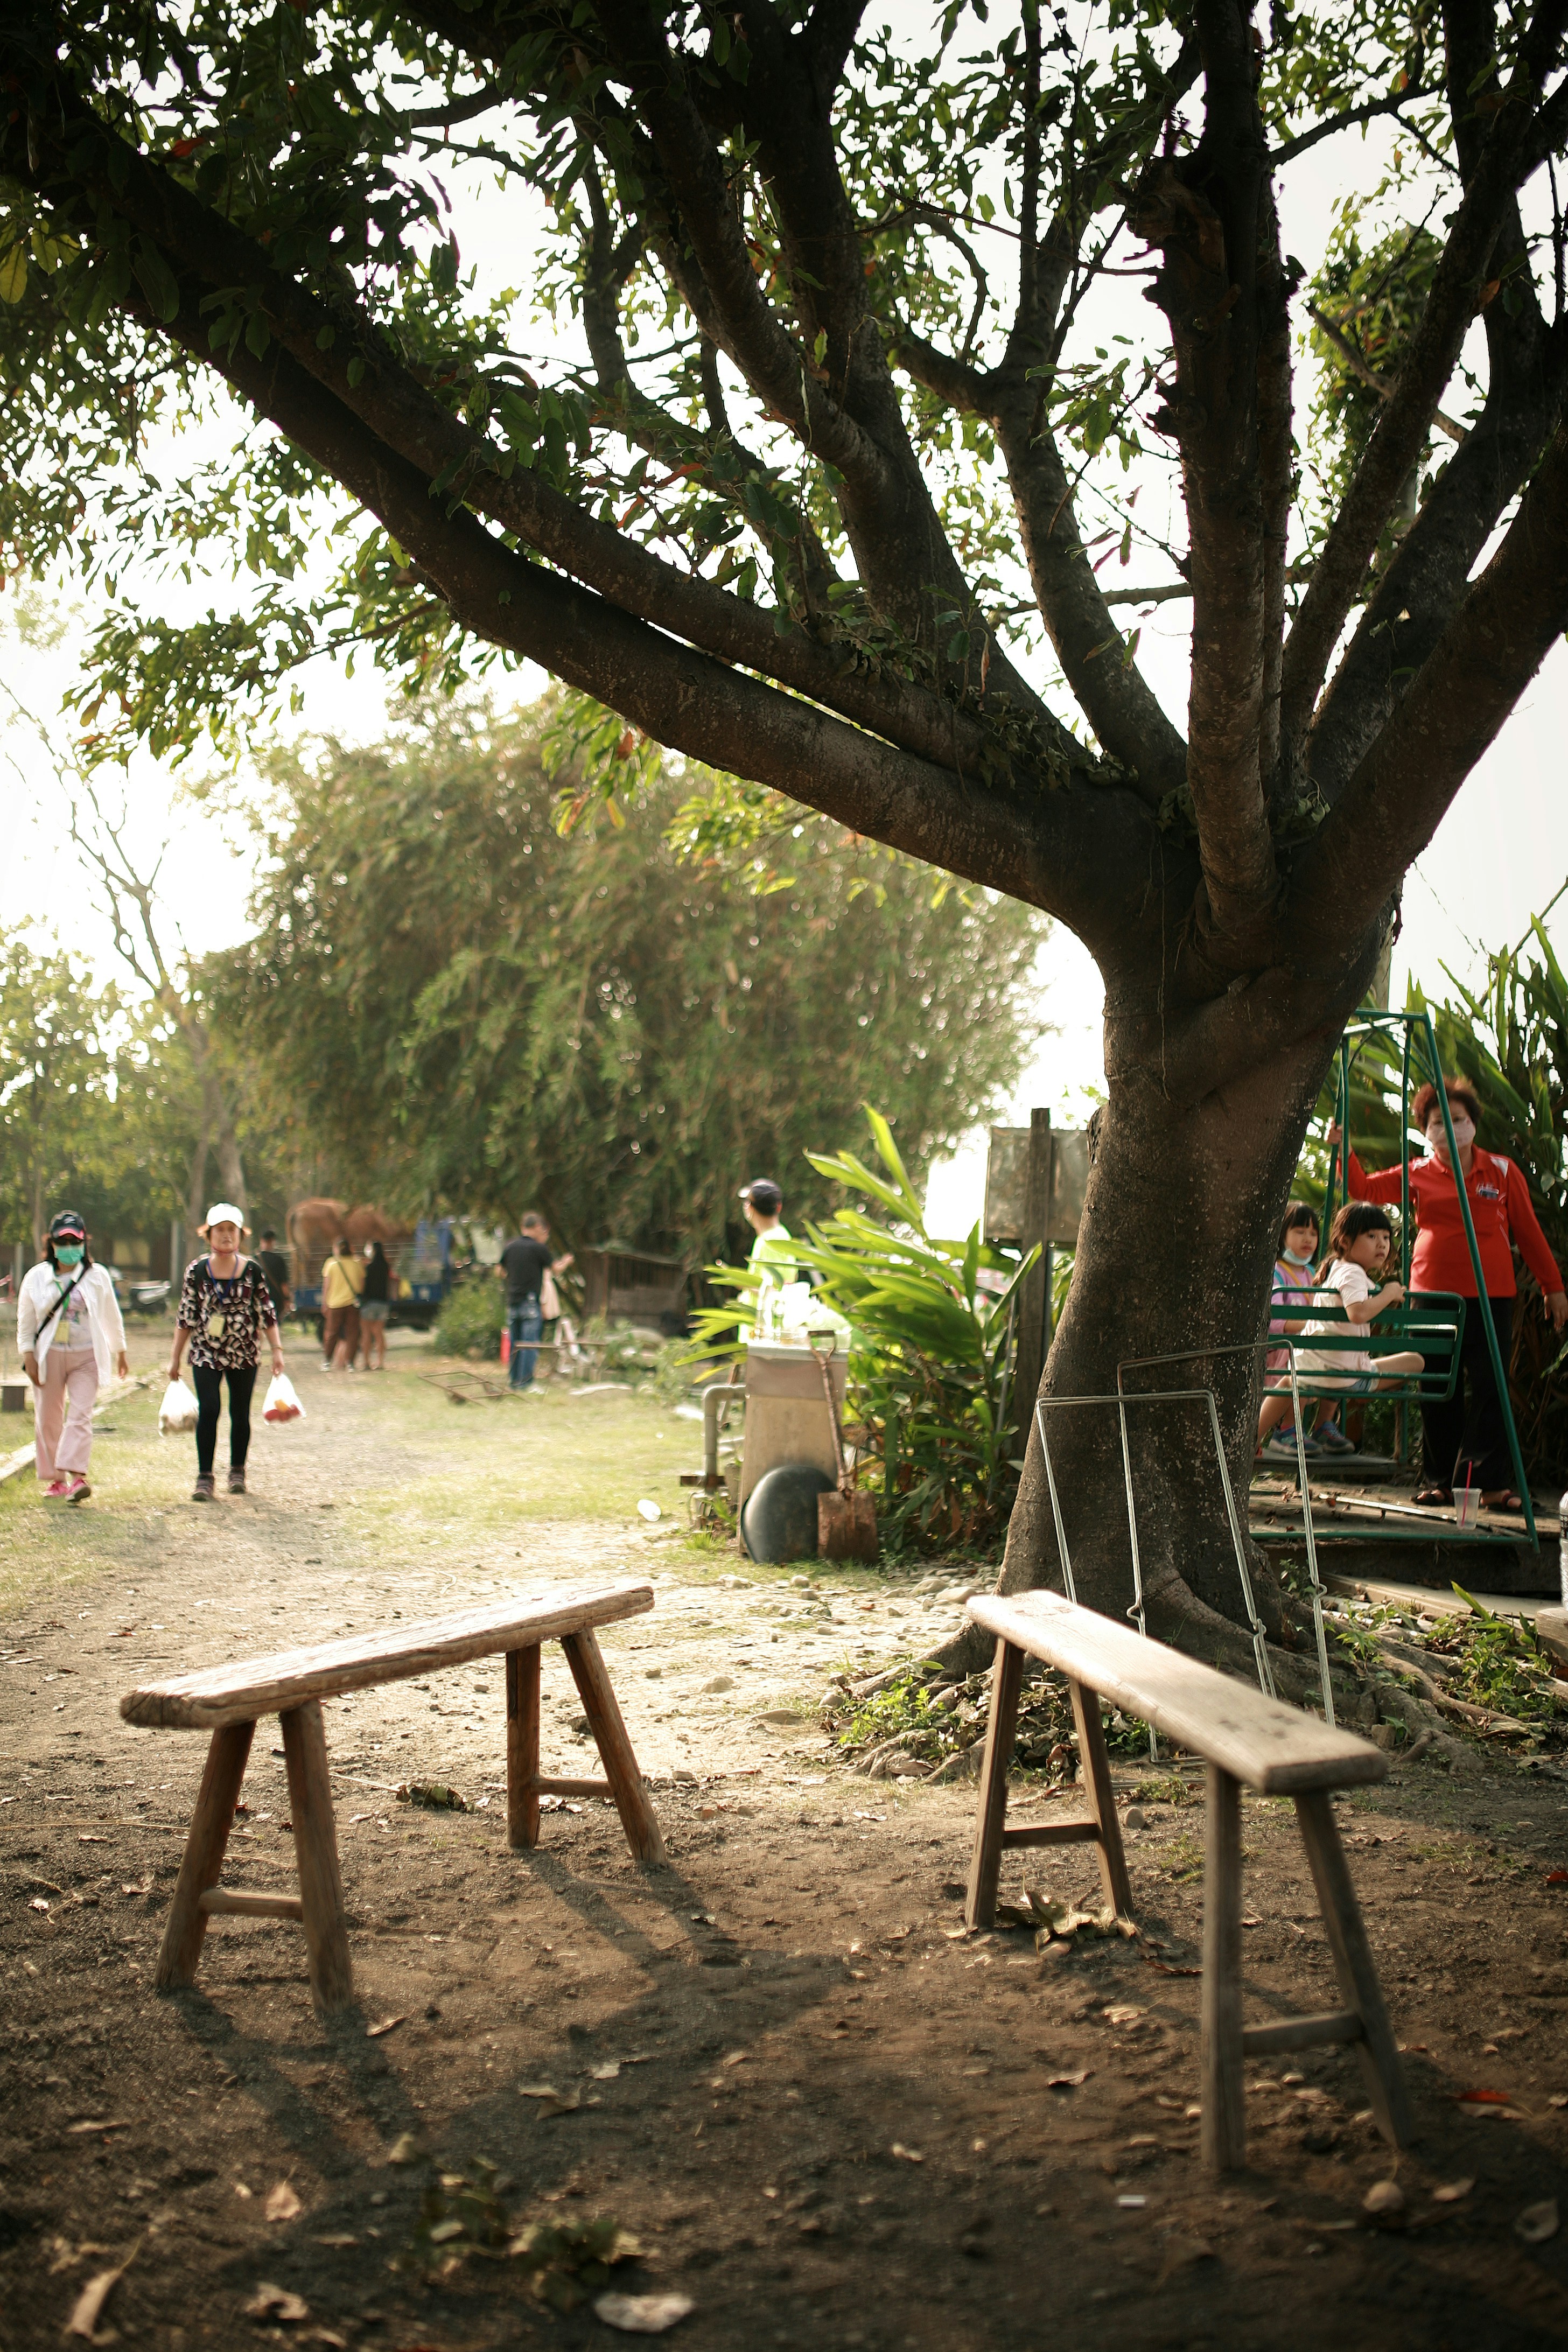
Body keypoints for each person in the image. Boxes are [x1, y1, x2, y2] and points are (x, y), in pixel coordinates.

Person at [1332, 1081, 1568, 1507]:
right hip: (1433, 1296)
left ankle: (1486, 1483)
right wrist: (1344, 1149)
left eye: (1458, 1120)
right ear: (1427, 1130)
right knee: (1437, 1384)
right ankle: (1442, 1479)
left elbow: (1529, 1234)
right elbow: (1364, 1190)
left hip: (1491, 1293)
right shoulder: (1418, 1172)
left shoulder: (1501, 1170)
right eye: (1439, 1123)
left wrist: (1554, 1287)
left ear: (1473, 1123)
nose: (1450, 1129)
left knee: (1491, 1384)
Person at [1256, 1203, 1425, 1451]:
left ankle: (1253, 1440)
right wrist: (1388, 1294)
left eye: (1386, 1237)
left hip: (1317, 1367)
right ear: (1345, 1242)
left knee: (1291, 1380)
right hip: (1343, 1376)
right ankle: (1319, 1426)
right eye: (1371, 1236)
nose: (1382, 1244)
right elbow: (1357, 1313)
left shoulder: (1336, 1269)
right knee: (1416, 1361)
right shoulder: (1352, 1274)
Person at [169, 1204, 285, 1502]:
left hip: (244, 1354)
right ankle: (205, 1476)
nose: (225, 1235)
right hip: (206, 1353)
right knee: (209, 1409)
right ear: (208, 1235)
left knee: (239, 1413)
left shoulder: (253, 1271)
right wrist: (175, 1358)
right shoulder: (196, 1271)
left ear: (240, 1235)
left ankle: (237, 1471)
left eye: (231, 1230)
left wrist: (277, 1350)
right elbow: (186, 1316)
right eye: (219, 1230)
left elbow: (267, 1313)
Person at [17, 1209, 129, 1503]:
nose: (69, 1248)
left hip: (86, 1356)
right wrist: (28, 1355)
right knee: (49, 1418)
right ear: (51, 1244)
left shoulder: (97, 1276)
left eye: (74, 1241)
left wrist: (120, 1351)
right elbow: (26, 1322)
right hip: (49, 1355)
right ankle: (57, 1480)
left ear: (84, 1242)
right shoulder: (36, 1278)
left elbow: (111, 1316)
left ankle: (78, 1477)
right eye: (62, 1242)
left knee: (80, 1414)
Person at [1258, 1201, 1321, 1462]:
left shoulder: (1312, 1274)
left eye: (1313, 1233)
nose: (1308, 1239)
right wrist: (1310, 1325)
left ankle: (1320, 1426)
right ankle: (1286, 1429)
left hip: (1304, 1347)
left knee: (1321, 1355)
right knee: (1304, 1359)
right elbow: (1271, 1322)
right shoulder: (1276, 1273)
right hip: (1279, 1353)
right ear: (1282, 1233)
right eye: (1299, 1231)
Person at [499, 1213, 574, 1390]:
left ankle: (515, 1381)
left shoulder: (510, 1247)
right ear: (537, 1228)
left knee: (516, 1345)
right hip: (530, 1302)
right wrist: (567, 1261)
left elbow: (500, 1272)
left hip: (513, 1301)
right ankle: (526, 1383)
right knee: (530, 1344)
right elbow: (556, 1269)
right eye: (544, 1231)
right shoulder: (538, 1249)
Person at [320, 1235, 365, 1371]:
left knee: (332, 1333)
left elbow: (326, 1286)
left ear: (337, 1249)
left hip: (335, 1304)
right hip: (352, 1304)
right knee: (352, 1334)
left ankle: (327, 1362)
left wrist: (324, 1303)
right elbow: (361, 1286)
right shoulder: (357, 1264)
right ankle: (350, 1363)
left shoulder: (331, 1264)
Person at [360, 1239, 391, 1369]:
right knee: (379, 1333)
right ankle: (380, 1362)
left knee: (367, 1333)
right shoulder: (386, 1267)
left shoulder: (368, 1268)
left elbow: (363, 1286)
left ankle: (366, 1362)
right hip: (383, 1303)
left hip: (369, 1304)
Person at [257, 1229, 292, 1322]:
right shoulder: (279, 1260)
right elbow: (284, 1284)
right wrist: (288, 1300)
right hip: (275, 1301)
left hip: (258, 1300)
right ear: (273, 1241)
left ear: (261, 1240)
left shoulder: (253, 1259)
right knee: (274, 1325)